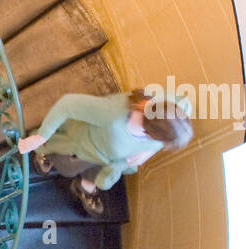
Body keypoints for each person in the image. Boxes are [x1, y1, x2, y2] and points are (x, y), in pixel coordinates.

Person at [17, 88, 192, 214]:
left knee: (93, 171)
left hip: (106, 157)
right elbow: (68, 104)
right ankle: (45, 150)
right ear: (151, 133)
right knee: (66, 166)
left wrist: (149, 152)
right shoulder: (113, 115)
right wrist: (41, 137)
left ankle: (83, 187)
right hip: (82, 142)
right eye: (160, 141)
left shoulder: (175, 109)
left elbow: (185, 105)